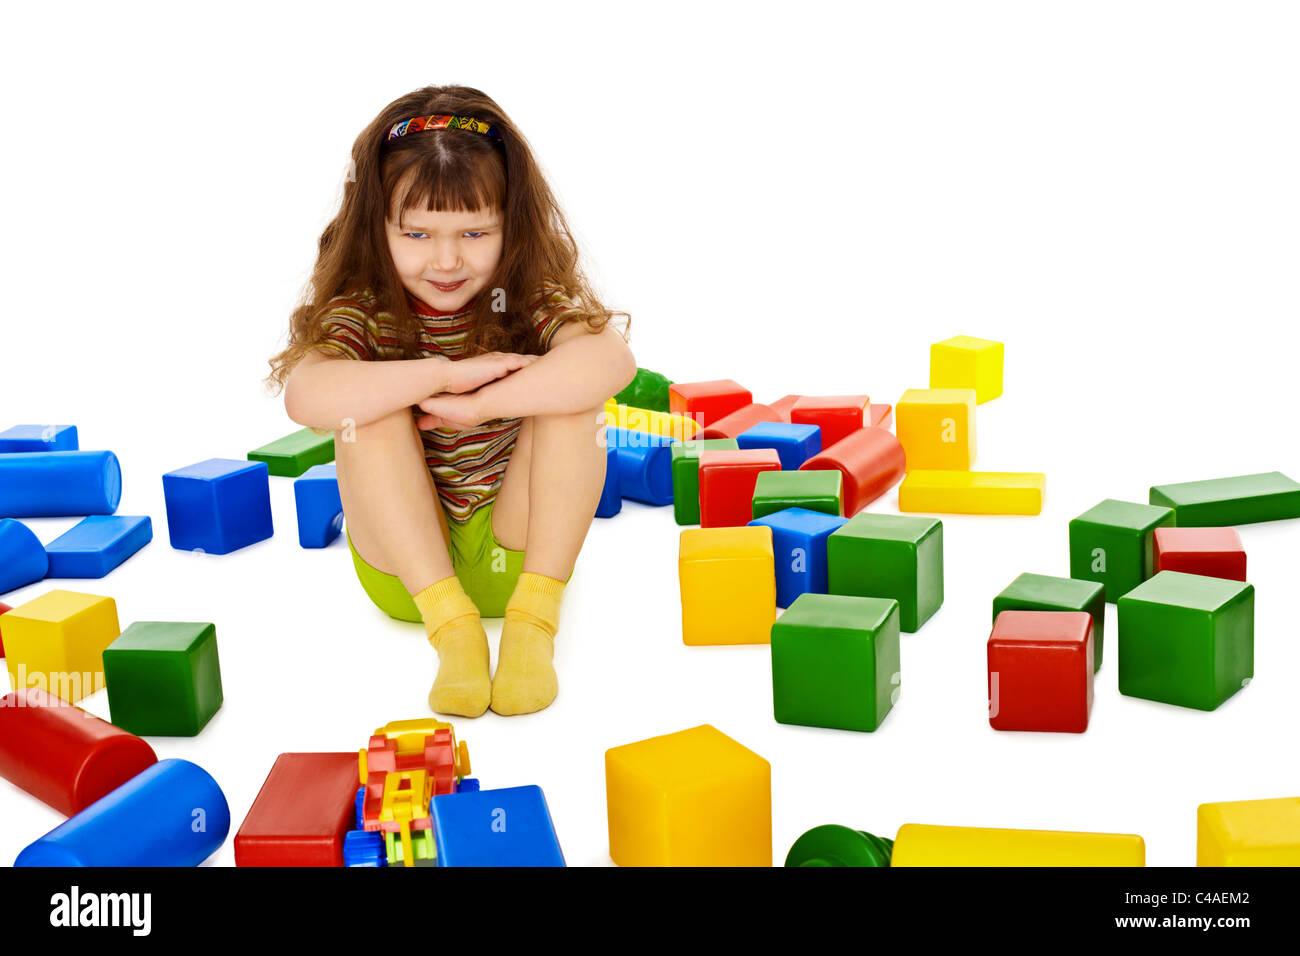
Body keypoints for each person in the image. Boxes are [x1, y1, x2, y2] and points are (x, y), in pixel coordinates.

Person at [265, 85, 636, 718]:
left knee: (577, 399)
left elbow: (612, 361)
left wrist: (485, 404)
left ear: (509, 227)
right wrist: (441, 375)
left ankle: (533, 622)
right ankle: (455, 631)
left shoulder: (519, 298)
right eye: (416, 232)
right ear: (376, 229)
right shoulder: (366, 309)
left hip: (514, 557)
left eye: (474, 231)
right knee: (365, 414)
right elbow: (306, 394)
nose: (446, 259)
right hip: (408, 577)